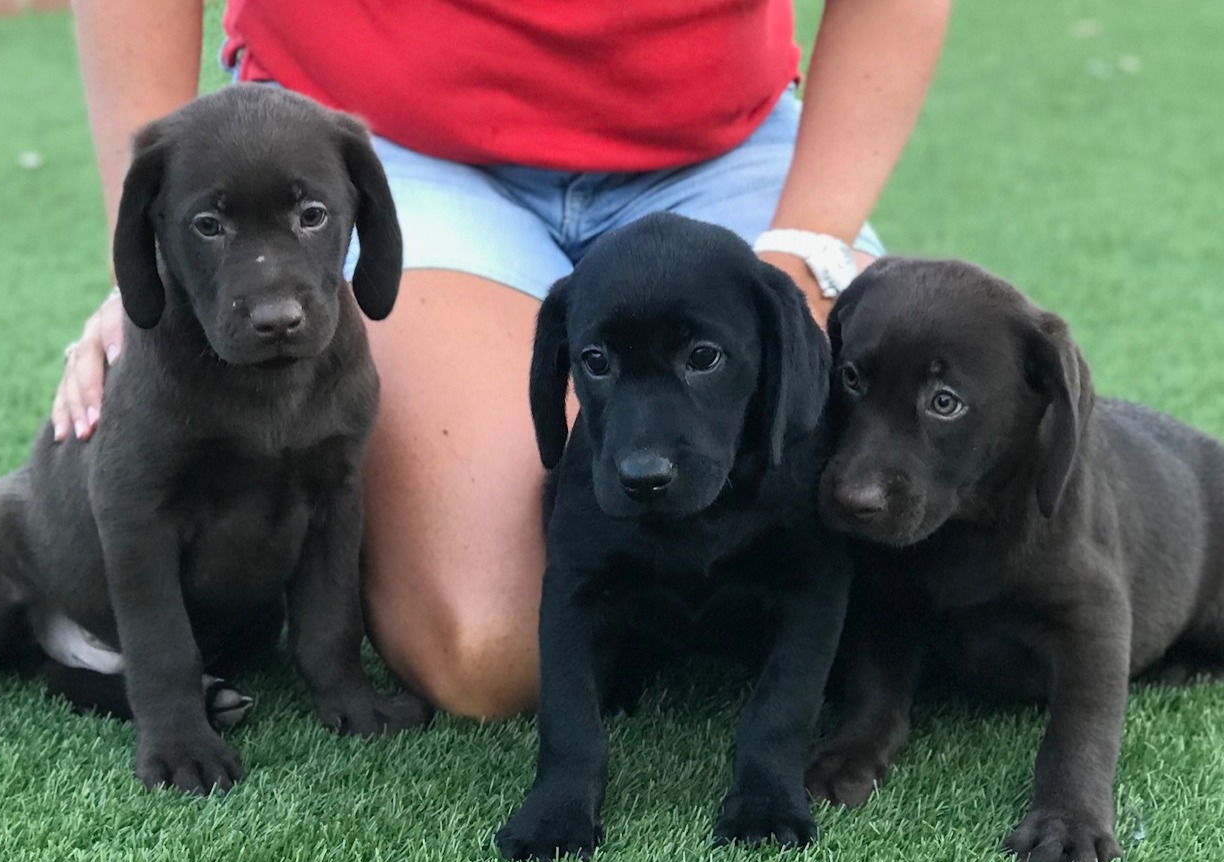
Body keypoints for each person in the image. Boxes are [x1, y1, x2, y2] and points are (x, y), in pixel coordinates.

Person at [58, 0, 950, 720]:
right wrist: (151, 254)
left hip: (721, 145)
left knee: (914, 552)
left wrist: (804, 244)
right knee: (495, 648)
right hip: (381, 148)